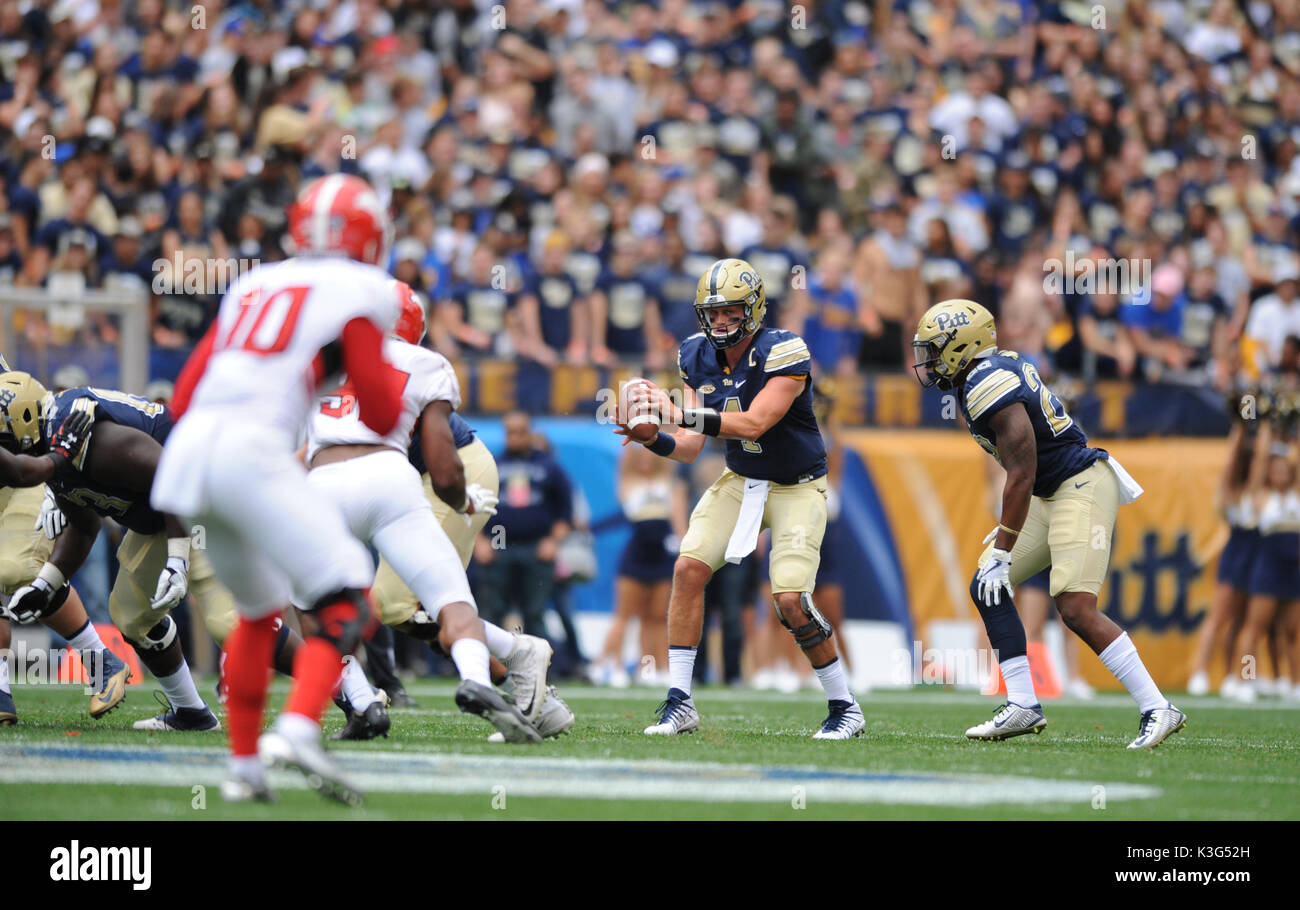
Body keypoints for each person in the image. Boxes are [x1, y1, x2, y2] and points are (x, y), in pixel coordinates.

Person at [151, 174, 410, 806]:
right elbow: (377, 412)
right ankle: (297, 730)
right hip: (252, 451)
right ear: (371, 236)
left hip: (190, 453)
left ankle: (244, 769)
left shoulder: (255, 281)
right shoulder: (363, 289)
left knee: (260, 611)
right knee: (350, 600)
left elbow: (182, 396)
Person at [911, 298, 1186, 749]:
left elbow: (1020, 472)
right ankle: (1022, 704)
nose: (928, 361)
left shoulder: (985, 382)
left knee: (1075, 606)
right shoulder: (984, 373)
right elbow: (1025, 474)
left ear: (963, 346)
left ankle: (1159, 707)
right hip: (1049, 490)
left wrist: (1004, 546)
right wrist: (1002, 548)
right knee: (988, 584)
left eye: (935, 349)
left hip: (1079, 484)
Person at [623, 257, 864, 739]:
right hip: (741, 478)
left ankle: (845, 706)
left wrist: (673, 412)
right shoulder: (694, 355)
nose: (719, 321)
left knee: (790, 600)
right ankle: (679, 701)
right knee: (688, 567)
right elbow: (690, 448)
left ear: (753, 309)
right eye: (712, 313)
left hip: (798, 485)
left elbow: (755, 422)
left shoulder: (786, 349)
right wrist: (652, 437)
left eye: (730, 311)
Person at [301, 279, 542, 744]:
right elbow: (439, 464)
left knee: (323, 608)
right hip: (396, 478)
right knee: (439, 600)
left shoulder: (321, 362)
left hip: (353, 479)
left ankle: (363, 700)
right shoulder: (424, 362)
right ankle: (483, 672)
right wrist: (462, 499)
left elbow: (289, 441)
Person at [1, 375, 268, 734]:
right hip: (162, 515)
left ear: (26, 424)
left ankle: (355, 693)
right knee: (130, 613)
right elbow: (84, 526)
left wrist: (177, 558)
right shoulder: (58, 446)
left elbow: (172, 475)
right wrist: (47, 584)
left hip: (201, 496)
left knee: (225, 619)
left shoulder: (89, 437)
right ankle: (191, 712)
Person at [590, 443, 685, 687]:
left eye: (650, 456)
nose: (646, 461)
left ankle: (653, 667)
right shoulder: (627, 482)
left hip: (662, 556)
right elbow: (627, 509)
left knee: (655, 617)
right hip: (637, 555)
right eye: (640, 457)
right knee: (624, 615)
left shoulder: (669, 483)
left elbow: (678, 521)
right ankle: (608, 664)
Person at [476, 411, 572, 639]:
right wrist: (479, 542)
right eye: (510, 433)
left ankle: (537, 672)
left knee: (535, 614)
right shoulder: (493, 466)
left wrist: (553, 542)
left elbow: (565, 512)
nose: (515, 437)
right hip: (499, 548)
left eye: (520, 432)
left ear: (530, 433)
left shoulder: (550, 467)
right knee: (492, 613)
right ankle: (491, 670)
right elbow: (474, 507)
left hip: (536, 549)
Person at [1230, 420, 1300, 702]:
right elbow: (1258, 463)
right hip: (1269, 568)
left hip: (1294, 570)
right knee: (1255, 627)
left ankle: (1296, 684)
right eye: (1276, 468)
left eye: (1285, 468)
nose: (1280, 472)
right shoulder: (1261, 496)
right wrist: (1269, 424)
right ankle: (1245, 680)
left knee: (1293, 630)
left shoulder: (1296, 496)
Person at [1188, 419, 1256, 696]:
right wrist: (1240, 425)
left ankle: (1233, 675)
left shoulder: (1260, 490)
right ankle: (1200, 672)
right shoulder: (1233, 492)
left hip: (1258, 555)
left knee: (1242, 621)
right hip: (1237, 554)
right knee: (1219, 617)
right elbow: (1231, 462)